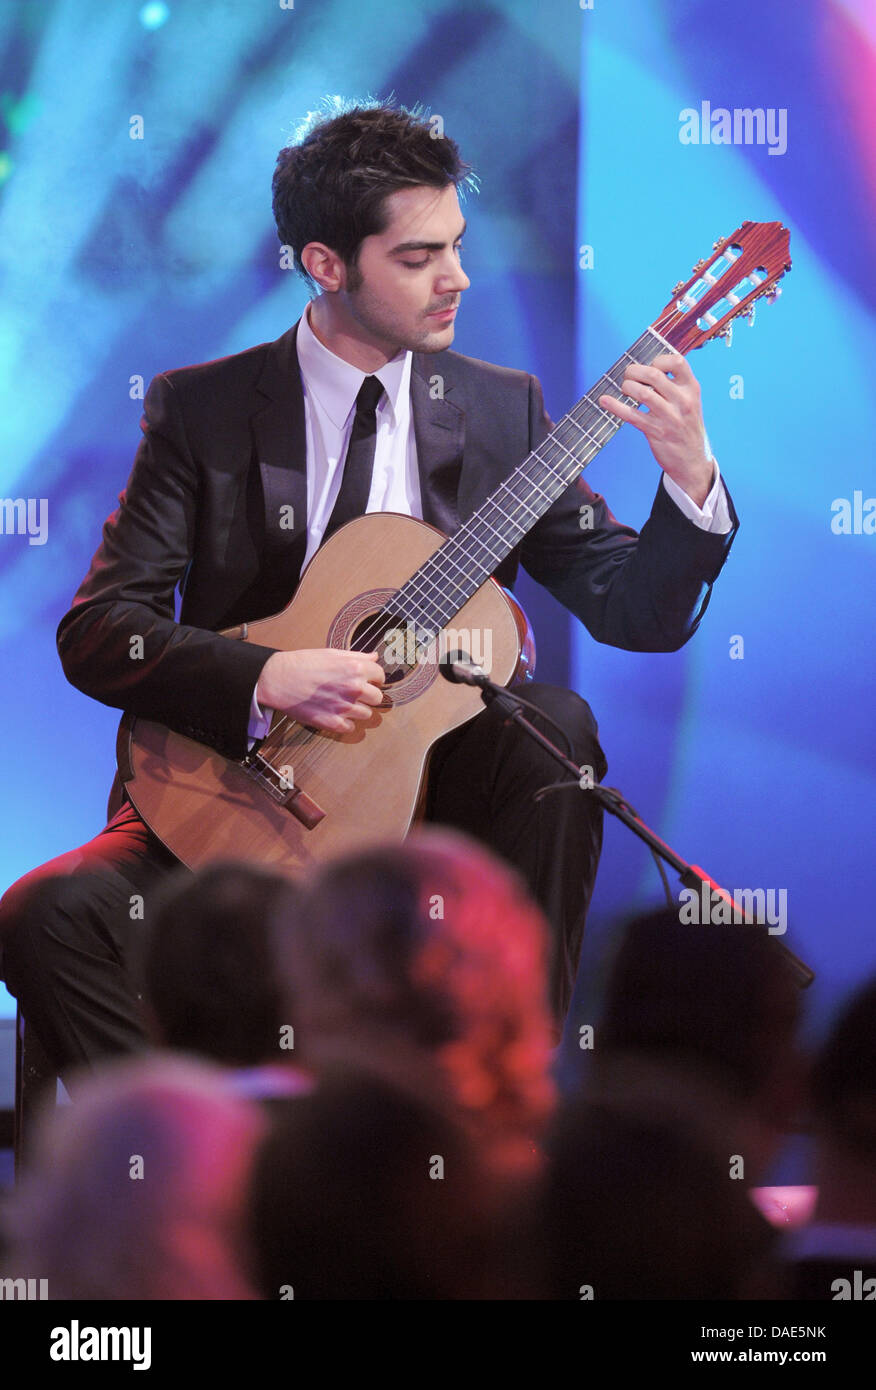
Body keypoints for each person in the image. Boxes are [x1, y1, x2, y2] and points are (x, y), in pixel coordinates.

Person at [0, 98, 737, 1082]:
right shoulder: (205, 410)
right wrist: (266, 675)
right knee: (43, 911)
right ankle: (194, 1152)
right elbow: (102, 630)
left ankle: (495, 1106)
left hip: (426, 821)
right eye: (419, 256)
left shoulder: (502, 411)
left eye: (460, 247)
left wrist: (688, 482)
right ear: (325, 264)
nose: (457, 278)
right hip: (231, 800)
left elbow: (636, 614)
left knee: (558, 729)